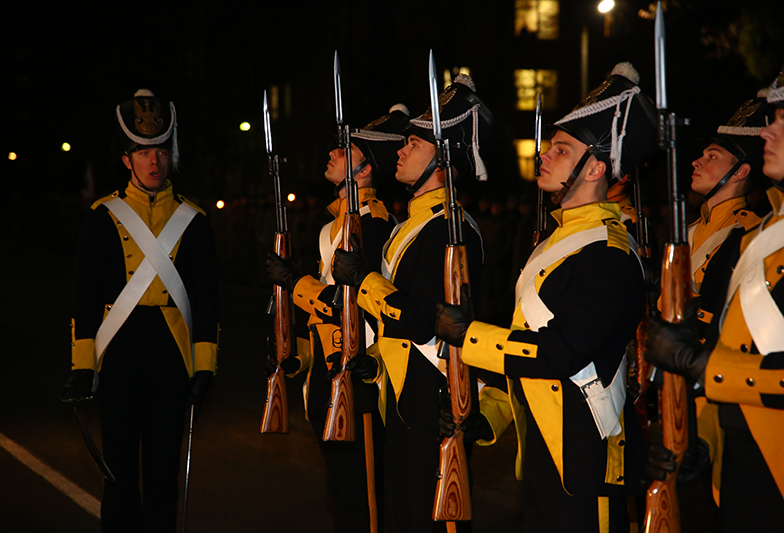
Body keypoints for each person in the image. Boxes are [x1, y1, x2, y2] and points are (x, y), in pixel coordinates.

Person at [436, 63, 658, 532]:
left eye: (561, 149)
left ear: (595, 168)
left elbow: (560, 353)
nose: (544, 155)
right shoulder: (559, 242)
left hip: (585, 454)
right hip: (544, 448)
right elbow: (526, 345)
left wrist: (470, 336)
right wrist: (489, 414)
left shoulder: (608, 253)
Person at [332, 74, 497, 532]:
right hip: (405, 394)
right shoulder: (416, 223)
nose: (401, 151)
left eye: (414, 144)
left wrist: (362, 279)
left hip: (433, 398)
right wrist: (374, 361)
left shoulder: (448, 227)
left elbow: (419, 320)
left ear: (442, 160)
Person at [61, 89, 219, 532]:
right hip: (120, 354)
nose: (154, 162)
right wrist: (82, 365)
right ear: (127, 159)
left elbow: (206, 300)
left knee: (164, 473)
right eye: (144, 153)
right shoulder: (102, 217)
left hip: (171, 355)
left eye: (162, 152)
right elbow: (85, 296)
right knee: (119, 474)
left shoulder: (194, 220)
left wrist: (204, 366)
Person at [645, 68, 784, 532]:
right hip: (719, 417)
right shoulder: (745, 234)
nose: (768, 133)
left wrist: (698, 366)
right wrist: (699, 436)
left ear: (740, 172)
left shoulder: (746, 232)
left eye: (782, 122)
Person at [266, 104, 408, 532]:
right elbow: (324, 321)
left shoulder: (374, 224)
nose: (332, 152)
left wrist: (296, 283)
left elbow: (354, 304)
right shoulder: (333, 227)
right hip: (327, 375)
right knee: (341, 493)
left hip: (360, 376)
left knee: (363, 499)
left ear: (366, 169)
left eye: (345, 150)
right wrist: (298, 354)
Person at [686, 97, 766, 345]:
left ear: (740, 172)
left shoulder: (750, 234)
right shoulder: (689, 230)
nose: (696, 162)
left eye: (712, 156)